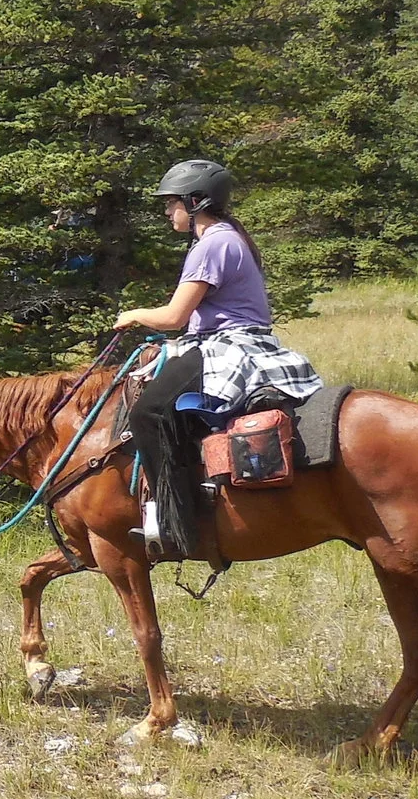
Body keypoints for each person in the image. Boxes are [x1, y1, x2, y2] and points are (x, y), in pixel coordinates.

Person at [112, 160, 322, 560]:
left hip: (229, 347)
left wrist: (135, 315)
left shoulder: (213, 244)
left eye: (172, 203)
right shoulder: (225, 238)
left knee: (148, 414)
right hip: (228, 340)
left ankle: (177, 525)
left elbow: (174, 318)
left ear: (195, 202)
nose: (167, 211)